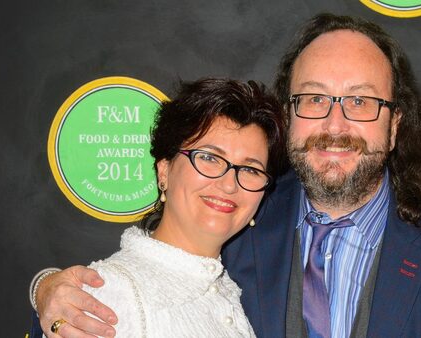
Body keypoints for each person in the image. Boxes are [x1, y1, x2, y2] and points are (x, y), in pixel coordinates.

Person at [31, 14, 421, 338]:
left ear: (393, 126)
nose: (335, 124)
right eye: (314, 98)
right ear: (290, 115)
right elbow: (132, 278)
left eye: (360, 100)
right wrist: (47, 289)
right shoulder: (238, 216)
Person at [31, 77, 286, 337]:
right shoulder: (109, 294)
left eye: (251, 169)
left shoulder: (230, 289)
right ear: (164, 170)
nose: (229, 184)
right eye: (209, 158)